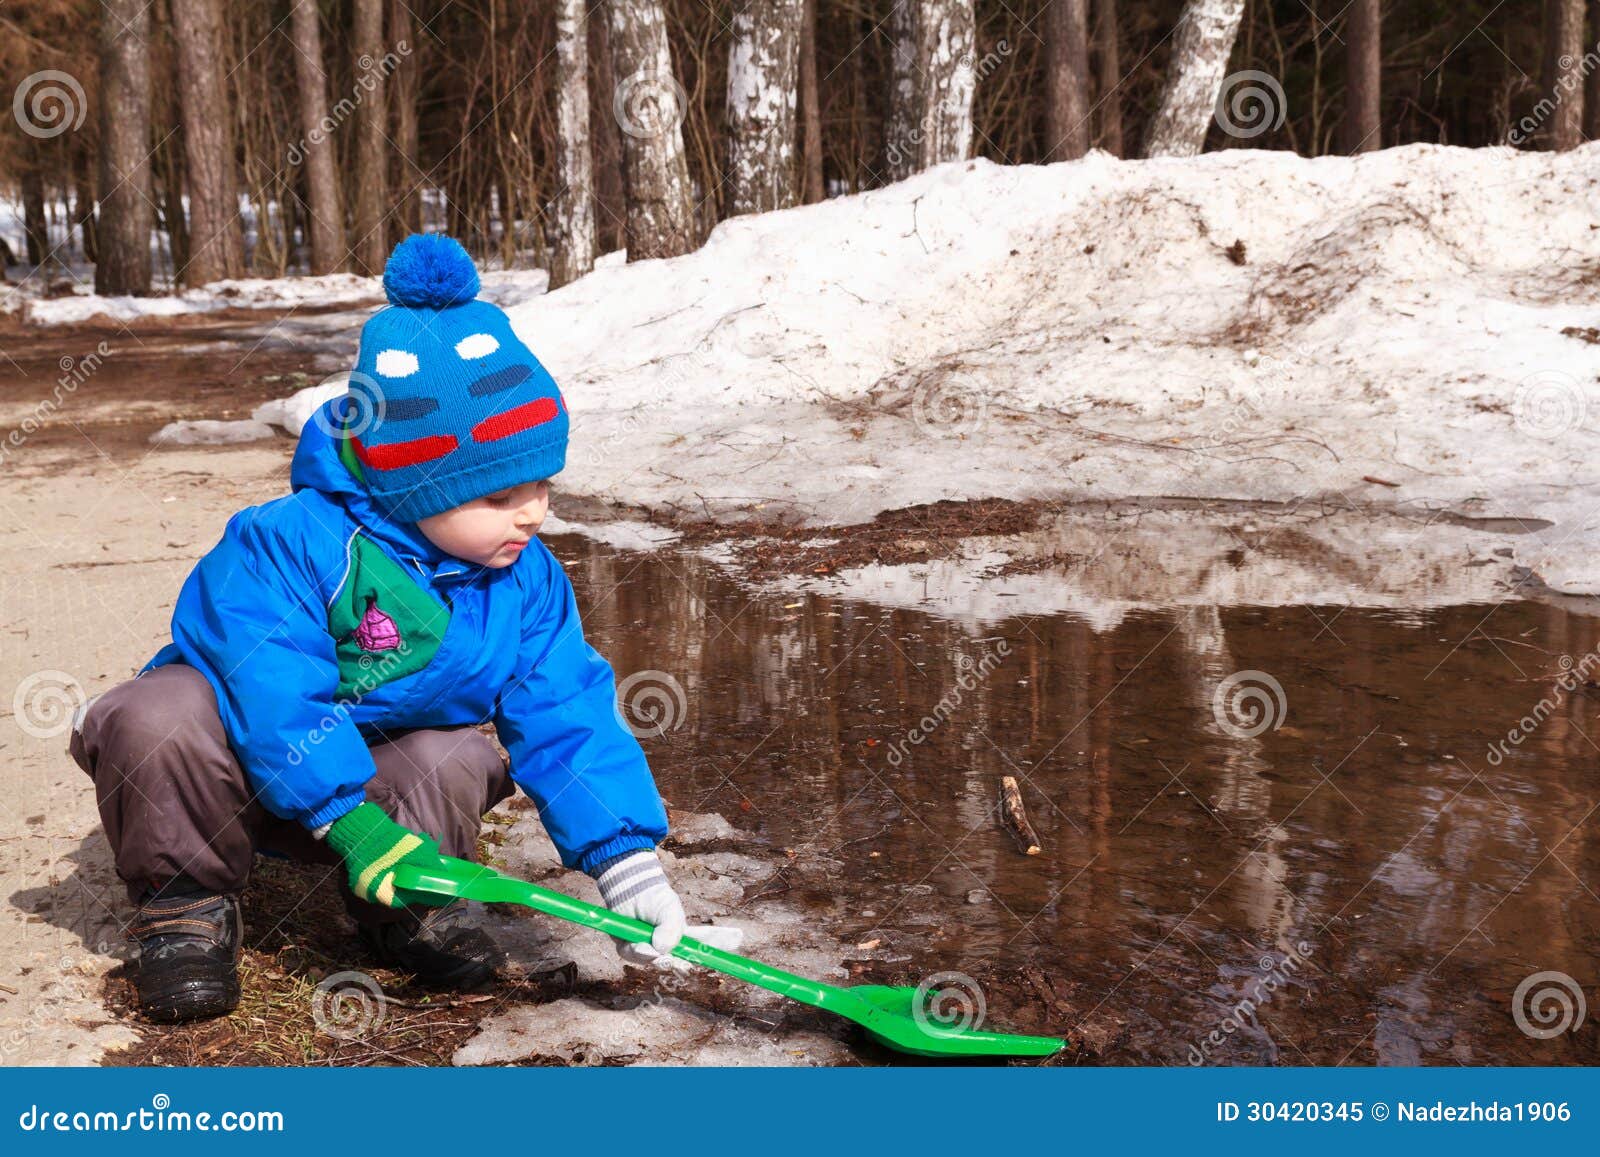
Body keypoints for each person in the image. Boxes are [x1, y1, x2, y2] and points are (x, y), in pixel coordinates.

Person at [69, 234, 687, 1023]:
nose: (532, 512)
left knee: (453, 754)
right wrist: (345, 818)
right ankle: (184, 905)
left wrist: (627, 865)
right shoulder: (289, 542)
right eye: (498, 496)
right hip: (240, 776)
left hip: (373, 781)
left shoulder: (524, 579)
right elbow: (271, 687)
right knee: (158, 715)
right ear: (412, 484)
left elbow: (567, 713)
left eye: (541, 484)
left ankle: (407, 903)